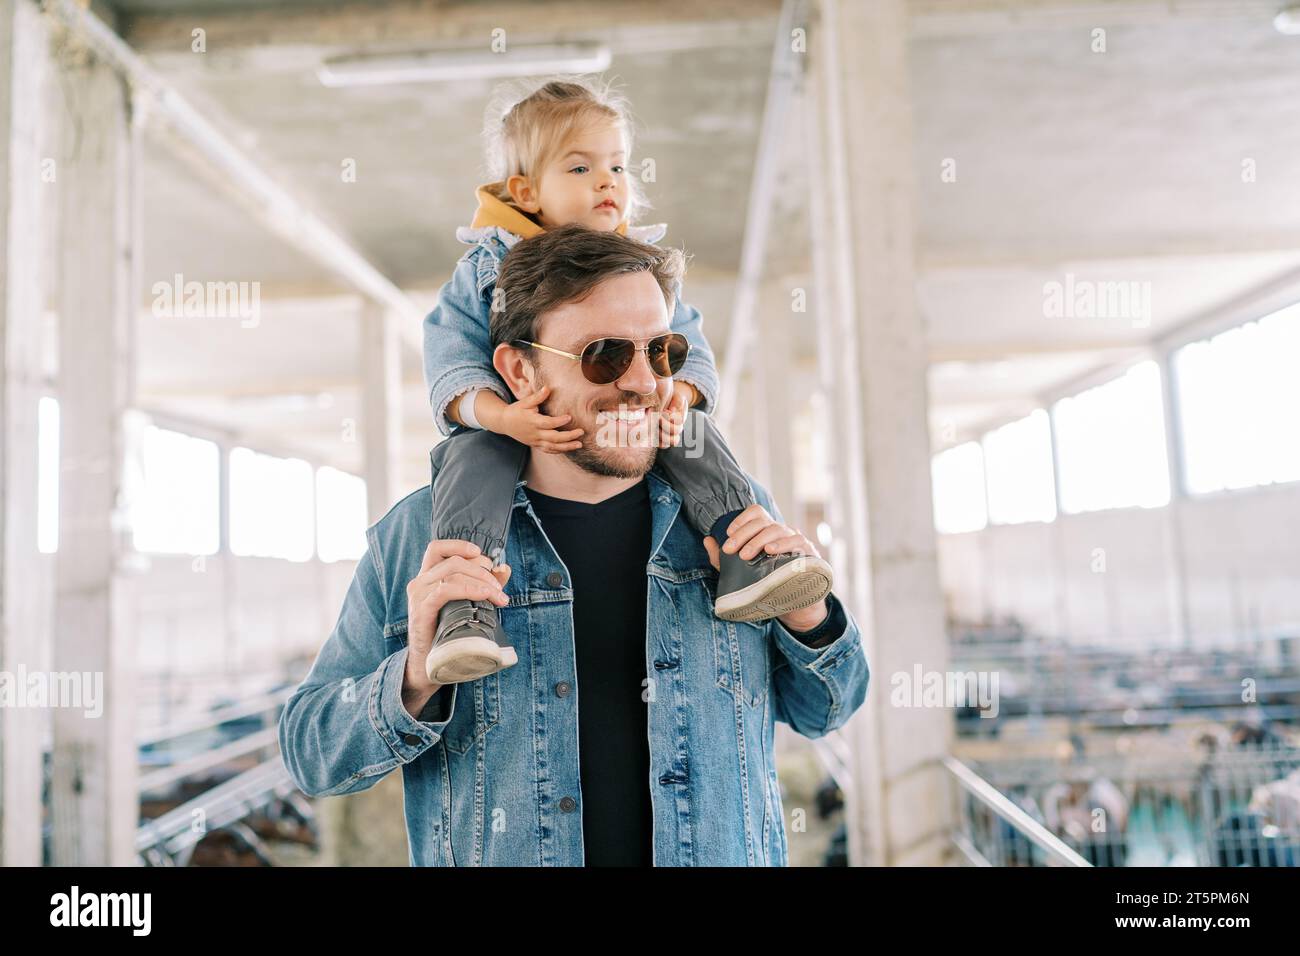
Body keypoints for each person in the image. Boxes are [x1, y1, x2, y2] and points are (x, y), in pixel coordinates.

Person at [278, 226, 870, 866]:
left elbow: (827, 710)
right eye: (605, 355)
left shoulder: (734, 518)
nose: (643, 384)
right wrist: (416, 676)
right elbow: (312, 756)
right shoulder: (422, 540)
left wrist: (809, 620)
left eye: (662, 352)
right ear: (518, 368)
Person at [420, 77, 835, 684]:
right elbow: (449, 354)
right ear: (525, 190)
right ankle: (468, 602)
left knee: (690, 429)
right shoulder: (485, 268)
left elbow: (690, 353)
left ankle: (744, 556)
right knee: (473, 452)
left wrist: (680, 396)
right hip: (511, 421)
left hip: (712, 503)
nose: (608, 180)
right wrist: (503, 415)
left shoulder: (640, 263)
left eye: (617, 165)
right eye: (582, 167)